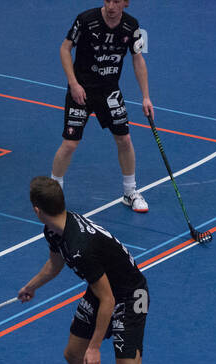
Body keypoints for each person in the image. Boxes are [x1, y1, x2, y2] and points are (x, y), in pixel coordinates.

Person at [18, 176, 178, 364]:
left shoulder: (80, 246)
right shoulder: (55, 230)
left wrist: (95, 347)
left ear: (37, 209)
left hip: (129, 295)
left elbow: (108, 301)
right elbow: (54, 265)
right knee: (71, 353)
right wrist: (31, 287)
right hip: (103, 288)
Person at [51, 0, 153, 213]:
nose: (111, 6)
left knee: (124, 139)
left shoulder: (132, 26)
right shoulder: (86, 19)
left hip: (109, 91)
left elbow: (138, 59)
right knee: (70, 143)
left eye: (116, 1)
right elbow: (64, 48)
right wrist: (73, 83)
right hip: (82, 90)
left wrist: (146, 97)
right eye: (108, 0)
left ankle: (129, 192)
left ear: (126, 3)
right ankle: (54, 193)